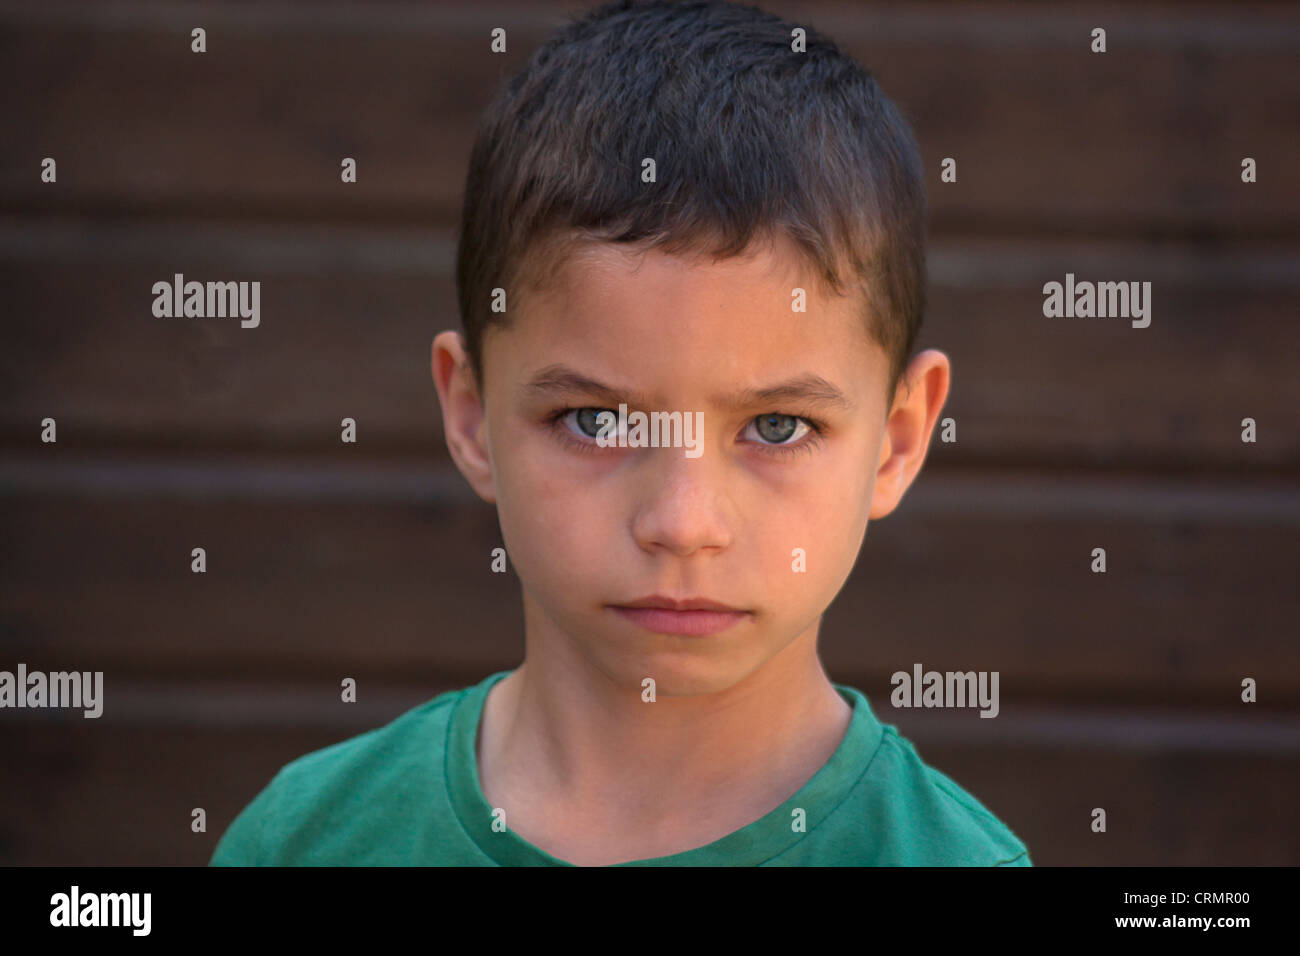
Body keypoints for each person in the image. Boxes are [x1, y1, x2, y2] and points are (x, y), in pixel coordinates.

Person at [211, 0, 1031, 867]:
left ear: (898, 441)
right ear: (471, 414)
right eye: (595, 421)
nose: (682, 522)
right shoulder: (304, 842)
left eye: (778, 426)